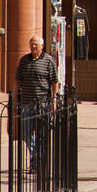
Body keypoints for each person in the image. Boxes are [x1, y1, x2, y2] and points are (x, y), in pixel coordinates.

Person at [15, 35, 58, 167]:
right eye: (31, 44)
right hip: (26, 104)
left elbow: (54, 82)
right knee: (27, 134)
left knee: (42, 135)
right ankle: (36, 156)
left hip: (42, 104)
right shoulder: (24, 61)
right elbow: (18, 81)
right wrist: (15, 99)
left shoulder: (49, 61)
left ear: (42, 46)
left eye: (36, 44)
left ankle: (37, 162)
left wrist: (54, 100)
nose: (33, 47)